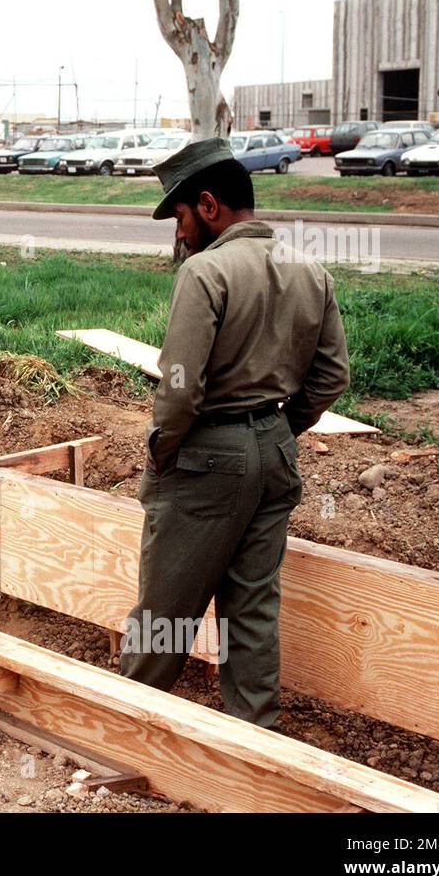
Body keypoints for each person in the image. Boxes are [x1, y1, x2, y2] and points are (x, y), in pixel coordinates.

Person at [119, 138, 351, 728]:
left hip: (205, 458)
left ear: (208, 205)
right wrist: (278, 426)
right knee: (250, 611)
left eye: (179, 217)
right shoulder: (308, 269)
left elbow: (179, 388)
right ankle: (257, 740)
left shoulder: (205, 271)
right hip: (275, 454)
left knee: (166, 612)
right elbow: (331, 376)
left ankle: (127, 731)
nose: (178, 233)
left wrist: (162, 451)